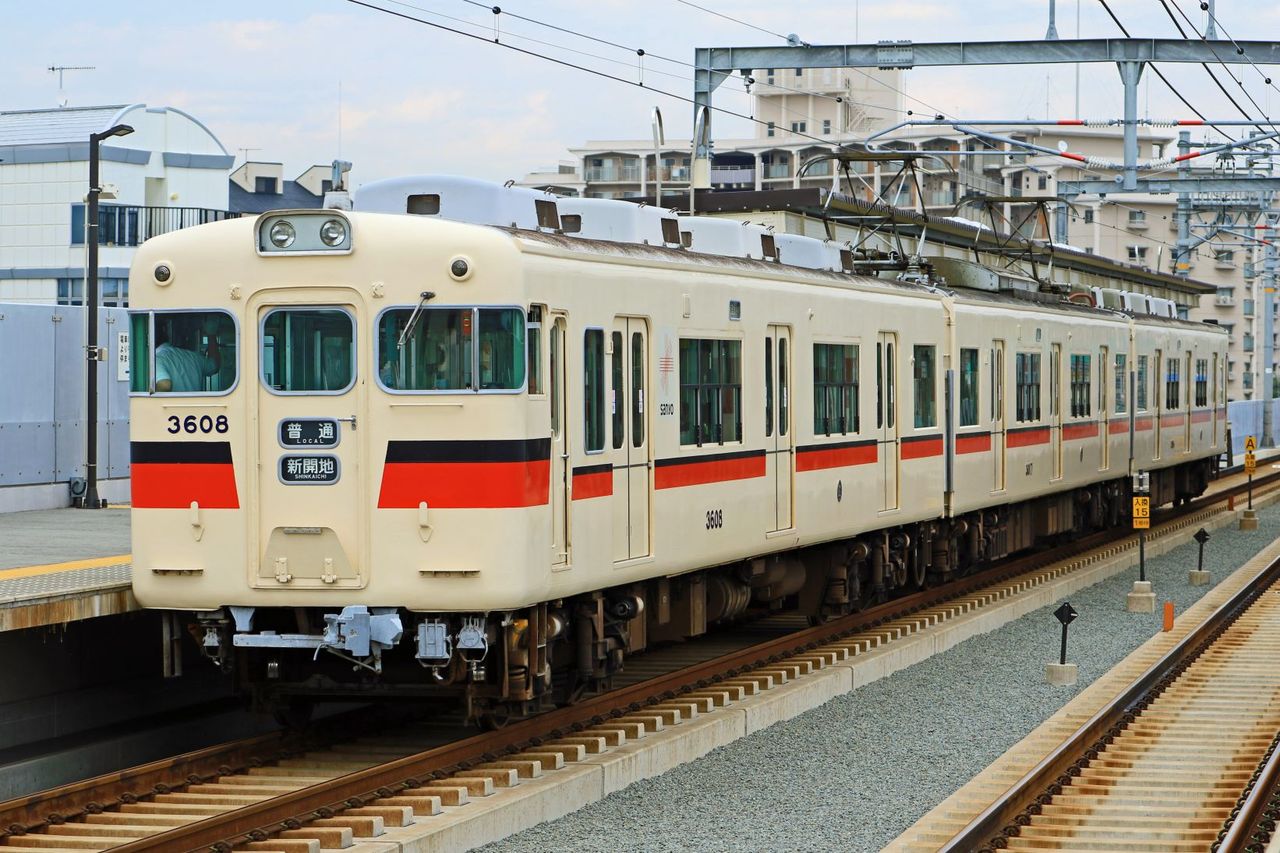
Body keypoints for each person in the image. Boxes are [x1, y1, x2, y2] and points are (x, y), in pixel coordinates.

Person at [155, 324, 221, 393]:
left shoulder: (156, 360)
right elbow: (214, 365)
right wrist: (211, 334)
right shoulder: (193, 356)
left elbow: (165, 385)